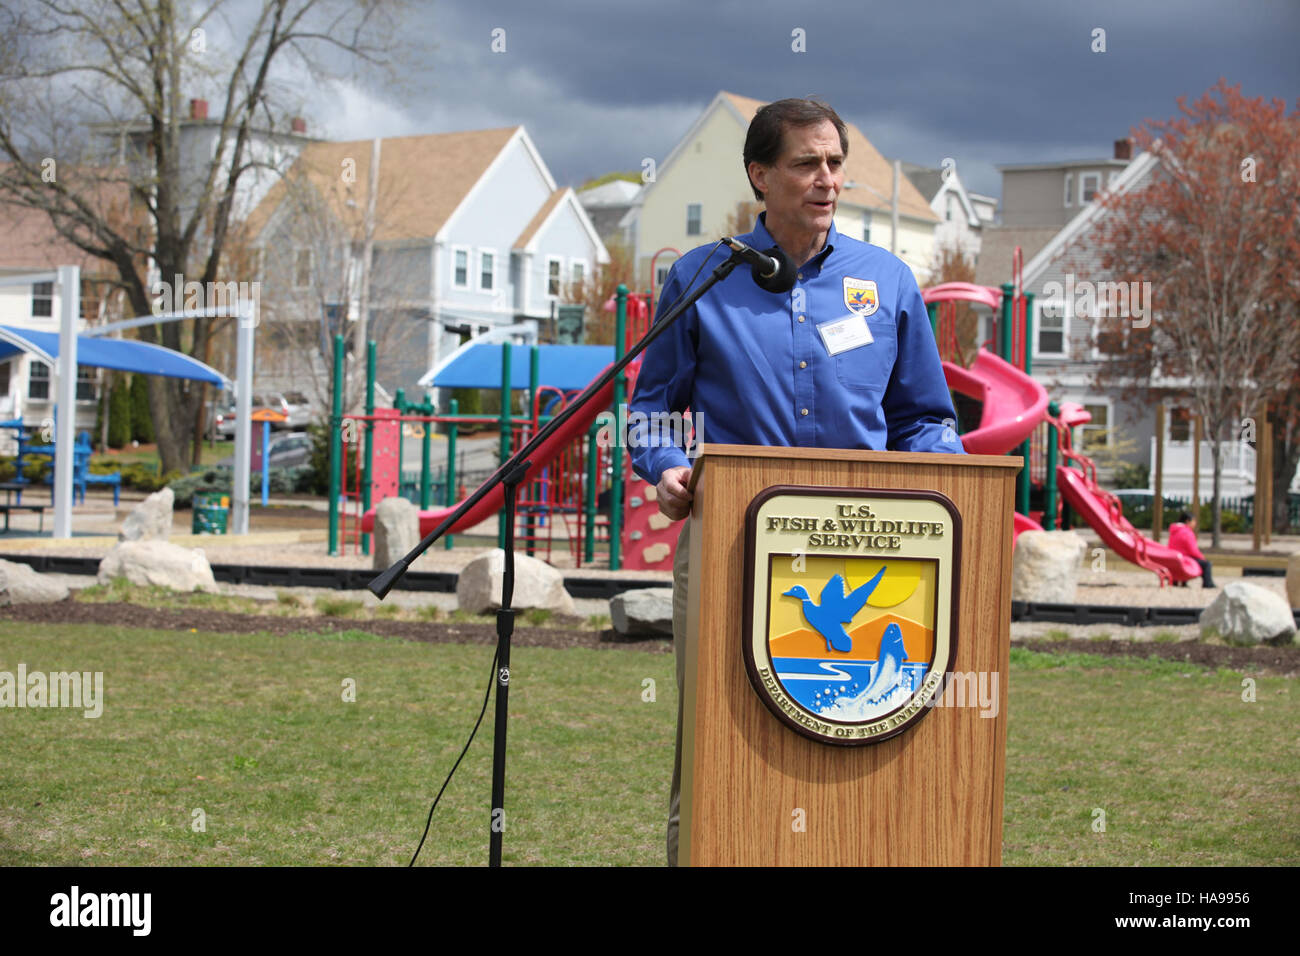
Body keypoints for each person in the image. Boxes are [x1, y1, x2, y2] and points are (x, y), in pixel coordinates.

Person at [626, 97, 964, 866]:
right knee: (717, 756)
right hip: (730, 552)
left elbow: (923, 419)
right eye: (806, 163)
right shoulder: (703, 277)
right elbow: (648, 412)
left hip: (874, 554)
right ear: (760, 176)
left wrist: (947, 473)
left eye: (836, 164)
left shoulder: (888, 282)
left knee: (860, 742)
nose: (827, 180)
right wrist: (667, 467)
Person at [1168, 509, 1214, 588]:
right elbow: (1193, 550)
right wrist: (1202, 558)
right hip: (1184, 558)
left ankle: (1180, 581)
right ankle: (1208, 583)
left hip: (1174, 557)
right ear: (1187, 521)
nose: (1195, 523)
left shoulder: (1174, 530)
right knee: (1206, 564)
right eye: (1194, 521)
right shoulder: (1187, 532)